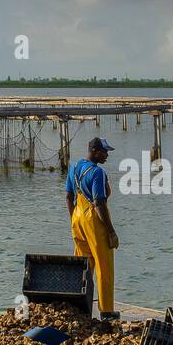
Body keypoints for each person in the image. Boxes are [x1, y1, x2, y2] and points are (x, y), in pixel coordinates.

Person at [66, 137, 120, 319]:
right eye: (105, 152)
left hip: (77, 219)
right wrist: (111, 231)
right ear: (95, 151)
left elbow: (68, 196)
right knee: (104, 267)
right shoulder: (97, 172)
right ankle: (106, 311)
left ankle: (81, 307)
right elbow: (99, 203)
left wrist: (74, 219)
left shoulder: (73, 167)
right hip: (94, 221)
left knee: (83, 266)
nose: (106, 156)